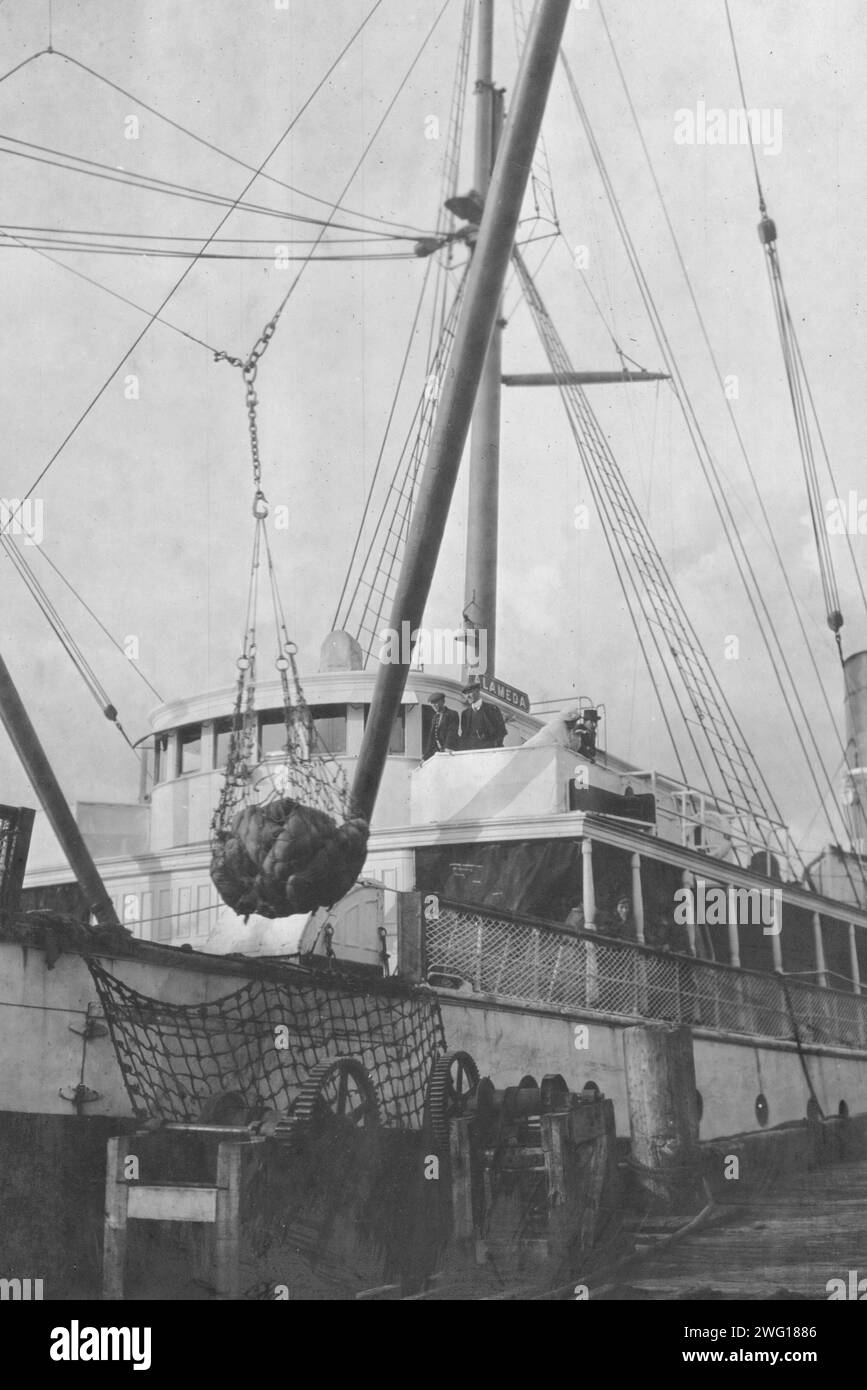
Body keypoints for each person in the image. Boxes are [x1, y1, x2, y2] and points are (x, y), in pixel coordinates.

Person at [459, 679, 507, 749]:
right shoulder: (465, 713)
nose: (468, 696)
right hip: (471, 751)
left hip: (489, 749)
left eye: (470, 692)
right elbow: (464, 735)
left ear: (478, 692)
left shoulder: (492, 709)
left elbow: (501, 731)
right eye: (466, 694)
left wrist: (495, 746)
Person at [423, 692, 459, 760]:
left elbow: (452, 732)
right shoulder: (434, 717)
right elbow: (432, 738)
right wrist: (425, 758)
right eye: (432, 704)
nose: (434, 706)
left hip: (451, 750)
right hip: (440, 752)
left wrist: (448, 747)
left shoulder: (452, 714)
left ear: (443, 702)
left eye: (436, 703)